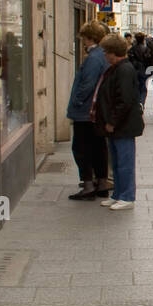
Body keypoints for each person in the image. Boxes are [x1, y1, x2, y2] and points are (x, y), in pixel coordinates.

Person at [93, 34, 143, 211]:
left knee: (124, 161)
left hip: (124, 125)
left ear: (114, 53)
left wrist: (112, 121)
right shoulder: (115, 68)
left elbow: (125, 100)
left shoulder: (124, 70)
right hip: (116, 124)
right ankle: (118, 194)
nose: (105, 55)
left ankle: (127, 196)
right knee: (116, 162)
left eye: (106, 52)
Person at [66, 20, 113, 200]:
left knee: (81, 148)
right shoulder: (102, 55)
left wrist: (76, 102)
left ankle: (88, 185)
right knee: (98, 147)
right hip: (96, 110)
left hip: (86, 111)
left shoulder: (94, 57)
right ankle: (101, 183)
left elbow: (87, 85)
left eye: (84, 37)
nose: (82, 41)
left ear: (90, 37)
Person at [129, 31, 152, 105]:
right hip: (143, 70)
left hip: (134, 70)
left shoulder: (132, 49)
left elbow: (129, 59)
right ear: (143, 39)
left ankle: (137, 102)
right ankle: (141, 102)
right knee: (143, 88)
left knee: (136, 87)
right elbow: (148, 59)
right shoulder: (146, 49)